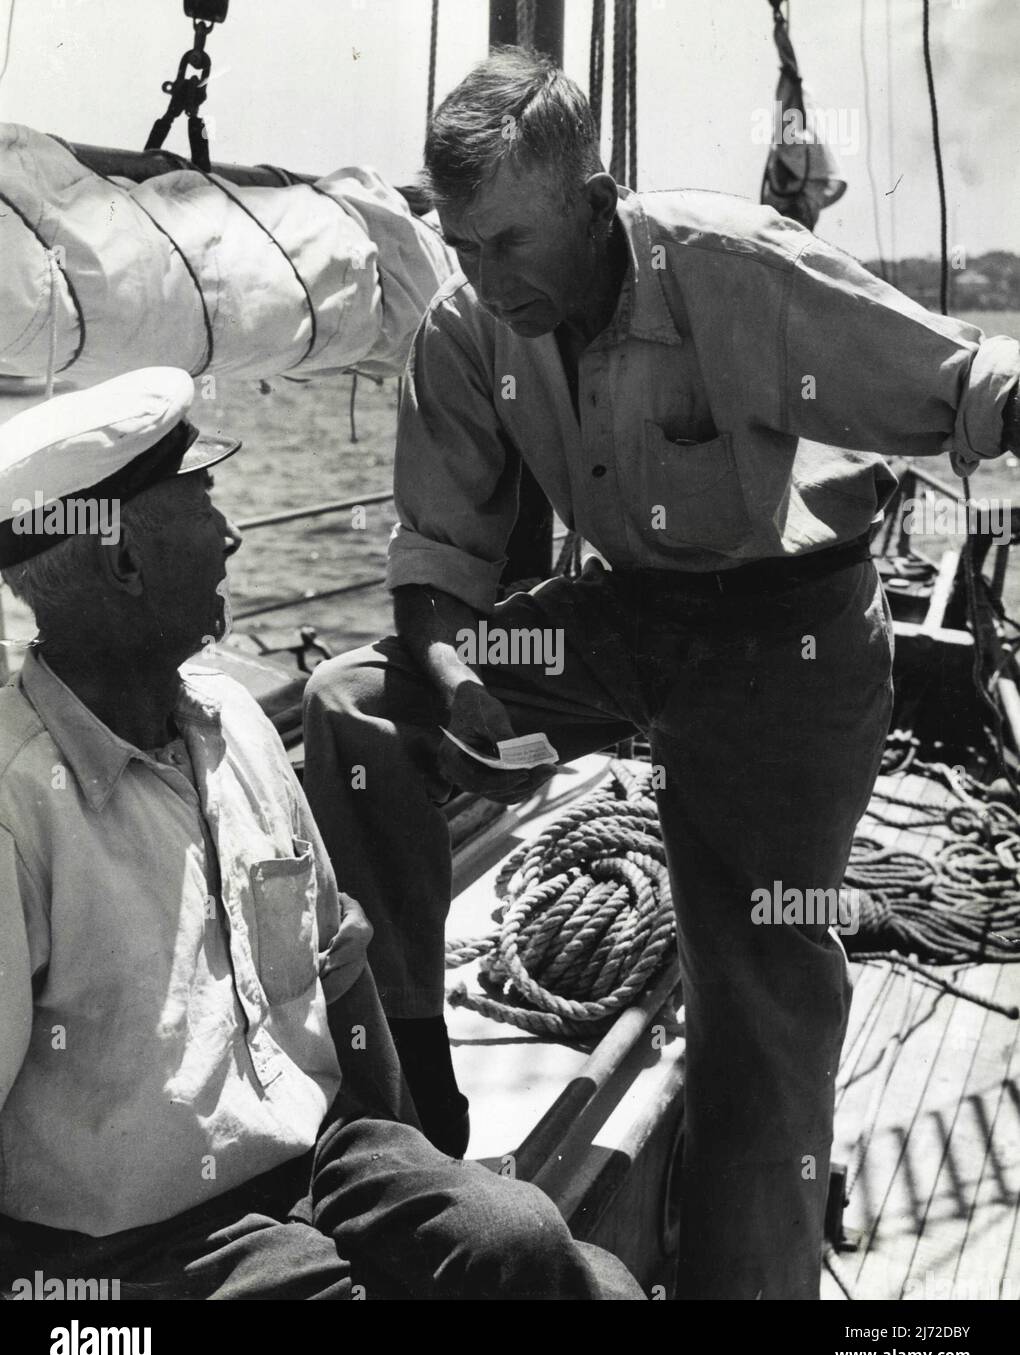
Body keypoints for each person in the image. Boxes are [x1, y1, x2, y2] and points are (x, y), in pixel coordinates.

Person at [303, 49, 1020, 1299]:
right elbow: (438, 556)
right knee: (354, 709)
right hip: (624, 616)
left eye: (507, 244)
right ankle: (418, 1091)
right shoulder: (475, 327)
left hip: (785, 641)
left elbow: (962, 387)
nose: (483, 278)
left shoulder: (735, 271)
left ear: (593, 191)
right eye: (461, 246)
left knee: (757, 989)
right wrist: (455, 672)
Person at [0, 367, 643, 1301]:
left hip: (324, 1151)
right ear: (123, 563)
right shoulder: (17, 805)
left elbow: (335, 959)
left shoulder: (233, 719)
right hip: (132, 1245)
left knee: (525, 1238)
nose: (231, 536)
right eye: (202, 504)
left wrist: (423, 1156)